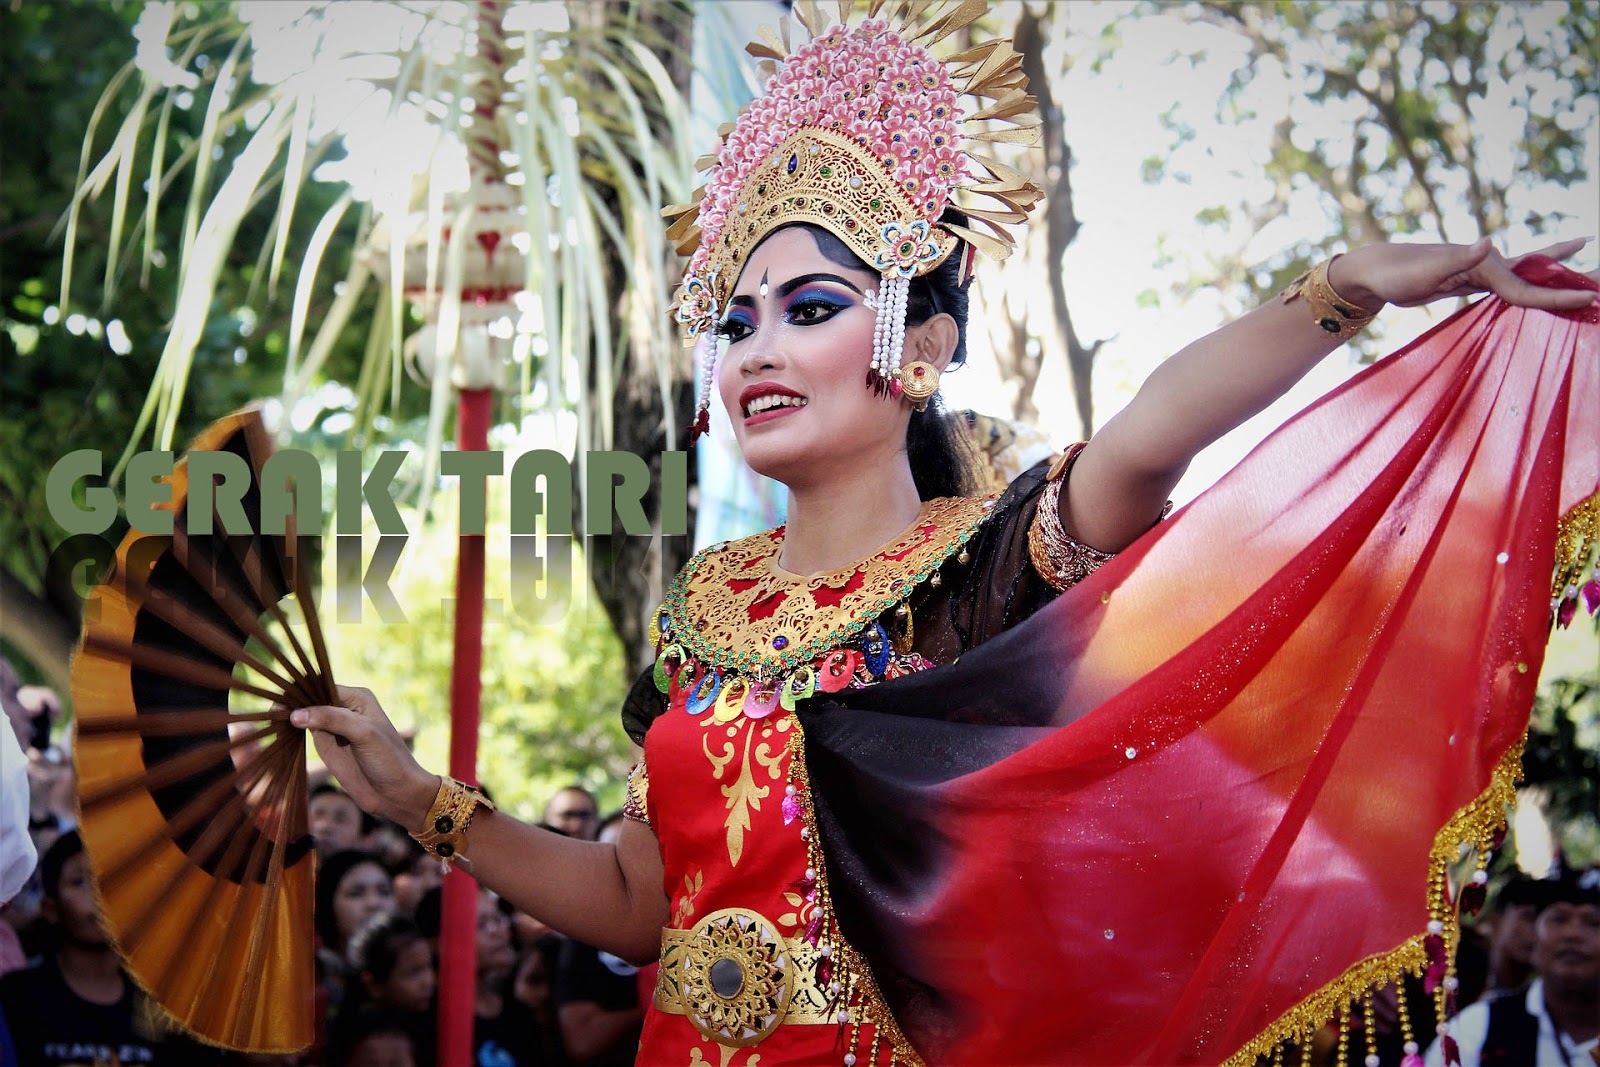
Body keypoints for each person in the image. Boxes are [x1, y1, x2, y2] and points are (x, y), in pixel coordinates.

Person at [288, 4, 1599, 1065]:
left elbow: (1150, 435)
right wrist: (420, 801)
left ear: (914, 342)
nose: (758, 350)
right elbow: (643, 897)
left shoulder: (996, 561)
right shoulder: (703, 612)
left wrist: (1347, 286)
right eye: (734, 322)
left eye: (808, 304)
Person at [0, 831, 207, 1065]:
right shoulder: (17, 998)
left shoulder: (166, 1008)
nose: (100, 894)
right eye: (80, 881)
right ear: (51, 909)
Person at [1424, 868, 1600, 1067]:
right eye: (1558, 919)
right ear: (1535, 939)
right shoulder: (1478, 1027)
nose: (1573, 934)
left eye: (1593, 923)